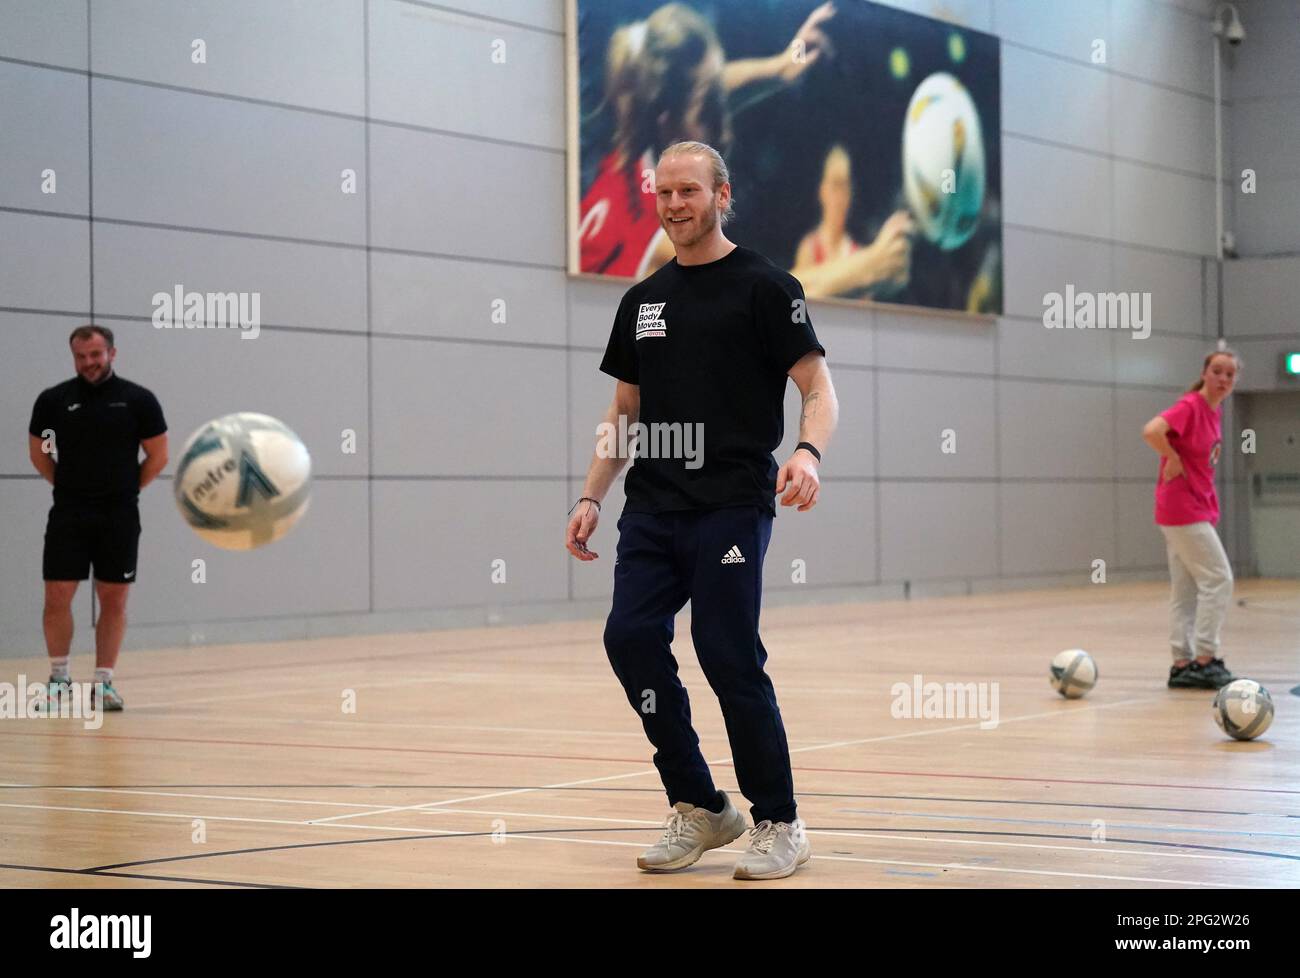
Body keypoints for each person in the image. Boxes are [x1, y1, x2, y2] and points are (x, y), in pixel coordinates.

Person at [566, 141, 839, 880]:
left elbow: (817, 385)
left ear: (722, 194)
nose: (674, 204)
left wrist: (808, 453)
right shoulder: (643, 301)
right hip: (652, 506)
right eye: (664, 193)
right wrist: (592, 494)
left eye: (689, 190)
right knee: (629, 639)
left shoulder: (766, 288)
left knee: (725, 650)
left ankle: (779, 820)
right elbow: (625, 411)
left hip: (731, 504)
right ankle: (701, 805)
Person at [28, 325, 169, 711]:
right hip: (69, 514)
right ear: (73, 357)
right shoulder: (53, 401)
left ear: (112, 353)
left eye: (95, 355)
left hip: (119, 515)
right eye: (81, 356)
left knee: (113, 598)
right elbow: (40, 452)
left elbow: (158, 455)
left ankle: (104, 683)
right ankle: (59, 681)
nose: (88, 362)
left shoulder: (138, 400)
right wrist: (68, 487)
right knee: (57, 595)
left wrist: (127, 489)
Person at [1141, 348, 1239, 690]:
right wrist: (1171, 457)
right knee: (1219, 578)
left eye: (1229, 374)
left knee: (1185, 590)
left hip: (1190, 506)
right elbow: (1152, 430)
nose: (1223, 379)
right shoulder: (1191, 406)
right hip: (1182, 507)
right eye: (1217, 371)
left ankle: (1181, 664)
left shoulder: (1214, 411)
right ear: (1204, 373)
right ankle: (1205, 659)